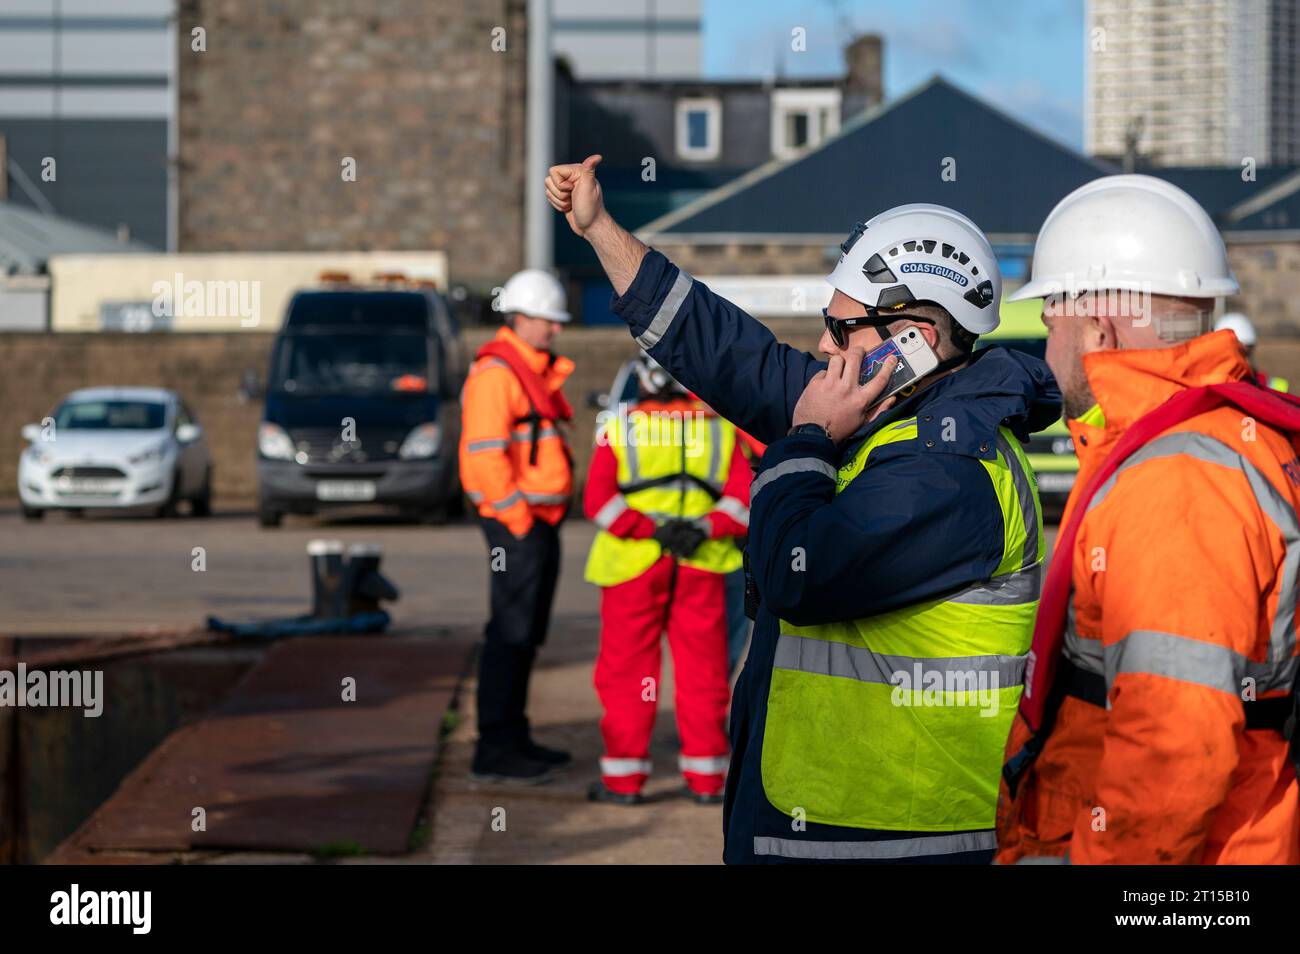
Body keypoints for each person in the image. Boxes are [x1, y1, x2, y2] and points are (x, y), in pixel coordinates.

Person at [547, 154, 1061, 863]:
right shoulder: (886, 407)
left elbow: (799, 574)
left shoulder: (949, 466)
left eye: (841, 327)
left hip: (892, 839)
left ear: (914, 338)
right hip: (834, 825)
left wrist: (806, 441)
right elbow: (730, 353)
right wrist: (600, 228)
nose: (824, 344)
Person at [996, 174, 1300, 864]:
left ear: (1097, 327)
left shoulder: (1174, 479)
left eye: (1051, 324)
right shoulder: (1232, 434)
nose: (1047, 354)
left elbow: (1176, 746)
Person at [583, 351, 751, 804]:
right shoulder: (718, 429)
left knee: (628, 674)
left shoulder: (620, 429)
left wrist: (651, 530)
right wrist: (703, 528)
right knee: (705, 673)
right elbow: (743, 499)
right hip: (702, 563)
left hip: (631, 565)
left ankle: (624, 782)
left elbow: (599, 502)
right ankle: (707, 781)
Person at [459, 268, 575, 783]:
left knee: (524, 633)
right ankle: (495, 749)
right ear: (522, 318)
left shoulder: (527, 370)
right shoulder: (497, 375)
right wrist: (520, 522)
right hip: (519, 527)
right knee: (509, 632)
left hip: (535, 524)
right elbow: (483, 459)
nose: (555, 330)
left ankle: (513, 737)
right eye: (548, 320)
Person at [1216, 312, 1290, 392]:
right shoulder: (1211, 386)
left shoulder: (1275, 387)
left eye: (1245, 352)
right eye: (1238, 352)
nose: (1242, 359)